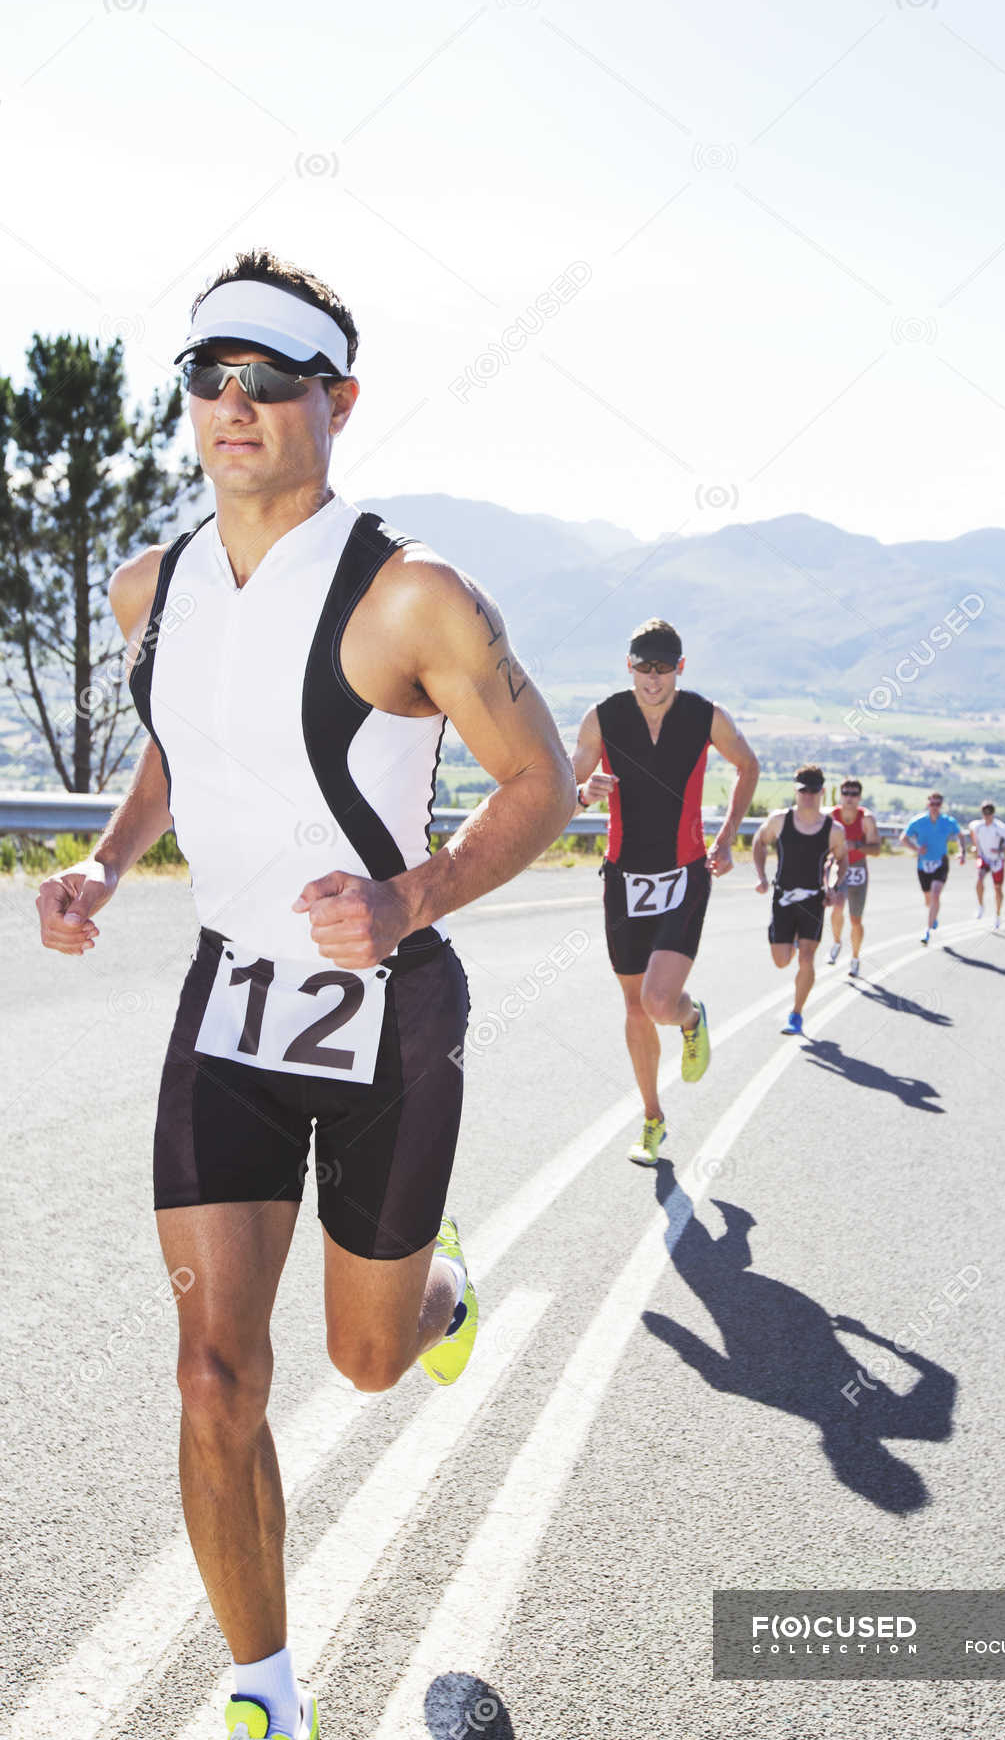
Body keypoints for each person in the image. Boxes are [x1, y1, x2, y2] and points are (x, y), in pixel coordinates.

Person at [33, 249, 575, 1740]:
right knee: (214, 1366)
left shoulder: (415, 600)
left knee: (366, 1358)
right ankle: (265, 1690)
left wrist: (408, 894)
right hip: (230, 1008)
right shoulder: (158, 584)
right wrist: (106, 859)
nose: (235, 404)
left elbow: (545, 784)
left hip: (389, 1004)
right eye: (209, 376)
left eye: (271, 381)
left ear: (337, 401)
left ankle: (435, 1292)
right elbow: (172, 745)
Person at [572, 619, 760, 1165]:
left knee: (659, 1002)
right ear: (627, 665)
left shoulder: (706, 716)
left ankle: (690, 1017)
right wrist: (585, 791)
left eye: (662, 668)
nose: (652, 679)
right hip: (623, 880)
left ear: (679, 668)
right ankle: (652, 1118)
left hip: (683, 875)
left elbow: (748, 765)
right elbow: (567, 785)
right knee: (635, 1007)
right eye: (642, 667)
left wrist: (725, 840)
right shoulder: (602, 718)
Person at [753, 764, 847, 1031]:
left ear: (822, 792)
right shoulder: (780, 820)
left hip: (813, 901)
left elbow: (842, 861)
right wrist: (761, 876)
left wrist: (834, 887)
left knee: (806, 958)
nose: (808, 795)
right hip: (783, 899)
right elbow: (759, 842)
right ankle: (790, 941)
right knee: (781, 961)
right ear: (796, 791)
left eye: (813, 791)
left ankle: (796, 1014)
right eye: (803, 790)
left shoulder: (833, 829)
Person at [825, 776, 881, 977]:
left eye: (854, 794)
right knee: (837, 905)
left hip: (858, 868)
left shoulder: (866, 819)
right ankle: (837, 941)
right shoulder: (831, 816)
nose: (849, 798)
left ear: (859, 797)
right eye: (846, 793)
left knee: (856, 919)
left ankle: (855, 957)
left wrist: (856, 845)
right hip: (838, 865)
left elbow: (876, 850)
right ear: (841, 795)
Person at [901, 792, 965, 944]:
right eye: (932, 804)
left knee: (936, 894)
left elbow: (960, 835)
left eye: (937, 804)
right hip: (923, 864)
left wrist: (962, 852)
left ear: (941, 805)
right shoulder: (918, 821)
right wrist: (916, 849)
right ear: (927, 804)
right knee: (928, 899)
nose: (934, 807)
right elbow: (903, 838)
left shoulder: (948, 821)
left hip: (940, 862)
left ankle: (927, 931)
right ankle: (933, 915)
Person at [970, 799, 1005, 928]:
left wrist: (1000, 850)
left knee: (997, 888)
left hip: (997, 860)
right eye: (985, 812)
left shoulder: (1000, 827)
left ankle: (997, 914)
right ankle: (980, 906)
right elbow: (971, 831)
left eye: (989, 812)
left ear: (993, 813)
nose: (987, 815)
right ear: (982, 813)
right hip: (984, 858)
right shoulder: (977, 826)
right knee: (979, 879)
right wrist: (975, 847)